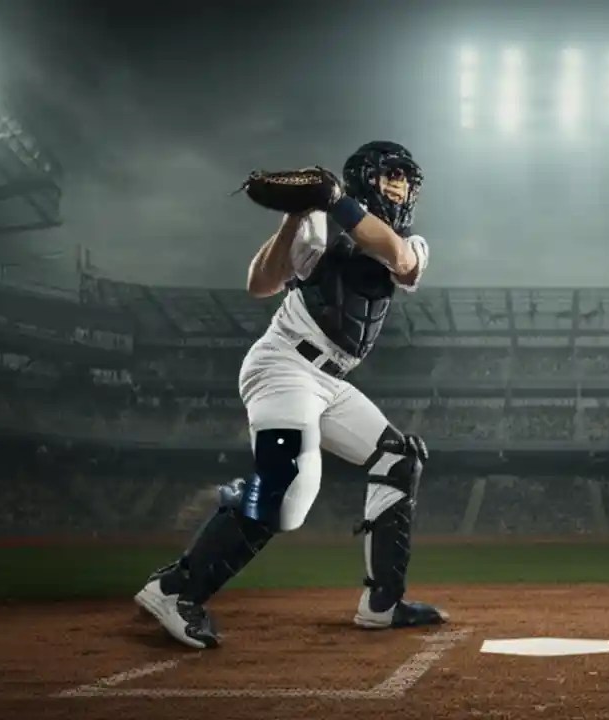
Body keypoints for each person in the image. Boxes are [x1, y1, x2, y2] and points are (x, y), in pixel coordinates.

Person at [134, 140, 447, 649]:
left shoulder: (409, 240)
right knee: (288, 493)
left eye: (406, 179)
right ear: (365, 177)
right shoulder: (317, 226)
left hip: (329, 380)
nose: (401, 186)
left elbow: (399, 259)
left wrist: (338, 201)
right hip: (283, 366)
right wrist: (294, 217)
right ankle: (175, 590)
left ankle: (382, 604)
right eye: (391, 175)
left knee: (398, 458)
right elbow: (260, 284)